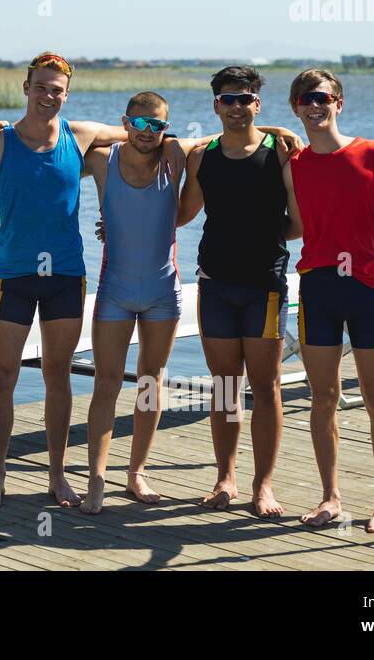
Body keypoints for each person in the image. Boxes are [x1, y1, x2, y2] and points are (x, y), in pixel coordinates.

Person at [80, 90, 301, 514]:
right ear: (125, 123)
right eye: (139, 123)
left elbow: (233, 135)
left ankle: (136, 474)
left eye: (157, 125)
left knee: (149, 382)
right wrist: (0, 134)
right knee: (106, 383)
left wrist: (279, 130)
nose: (148, 132)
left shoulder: (178, 156)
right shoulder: (101, 160)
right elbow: (61, 140)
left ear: (167, 128)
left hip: (164, 290)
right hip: (115, 290)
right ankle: (96, 479)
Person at [0, 52, 124, 508]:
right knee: (3, 376)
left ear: (67, 95)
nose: (49, 96)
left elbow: (145, 130)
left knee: (57, 375)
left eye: (57, 90)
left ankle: (57, 476)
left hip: (66, 275)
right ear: (26, 89)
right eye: (41, 87)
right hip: (13, 273)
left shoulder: (81, 135)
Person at [284, 69, 374, 533]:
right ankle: (330, 497)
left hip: (369, 288)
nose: (315, 105)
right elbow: (294, 226)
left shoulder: (372, 152)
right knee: (323, 397)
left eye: (322, 97)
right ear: (296, 107)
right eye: (306, 99)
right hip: (319, 288)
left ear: (338, 103)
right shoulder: (295, 165)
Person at [177, 66, 300, 518]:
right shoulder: (201, 157)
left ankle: (262, 486)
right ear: (215, 105)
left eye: (245, 99)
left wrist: (262, 240)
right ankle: (224, 478)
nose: (236, 106)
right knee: (225, 386)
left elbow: (300, 224)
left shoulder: (282, 153)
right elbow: (182, 214)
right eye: (227, 99)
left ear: (257, 104)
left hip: (265, 286)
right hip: (215, 285)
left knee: (266, 387)